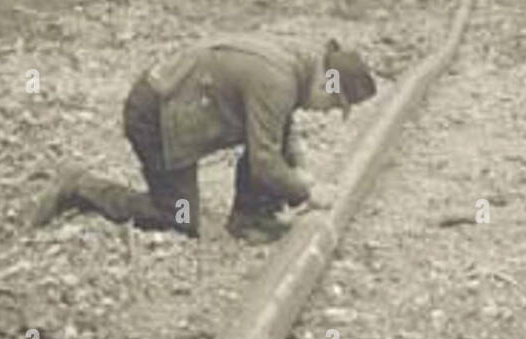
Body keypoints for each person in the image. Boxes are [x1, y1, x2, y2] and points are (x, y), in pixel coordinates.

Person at [29, 36, 377, 239]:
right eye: (334, 103)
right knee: (178, 220)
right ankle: (80, 186)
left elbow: (279, 127)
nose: (328, 111)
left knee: (273, 143)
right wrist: (307, 191)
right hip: (155, 115)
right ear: (327, 82)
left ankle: (251, 216)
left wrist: (301, 166)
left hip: (180, 104)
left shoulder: (296, 65)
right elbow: (264, 159)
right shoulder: (278, 80)